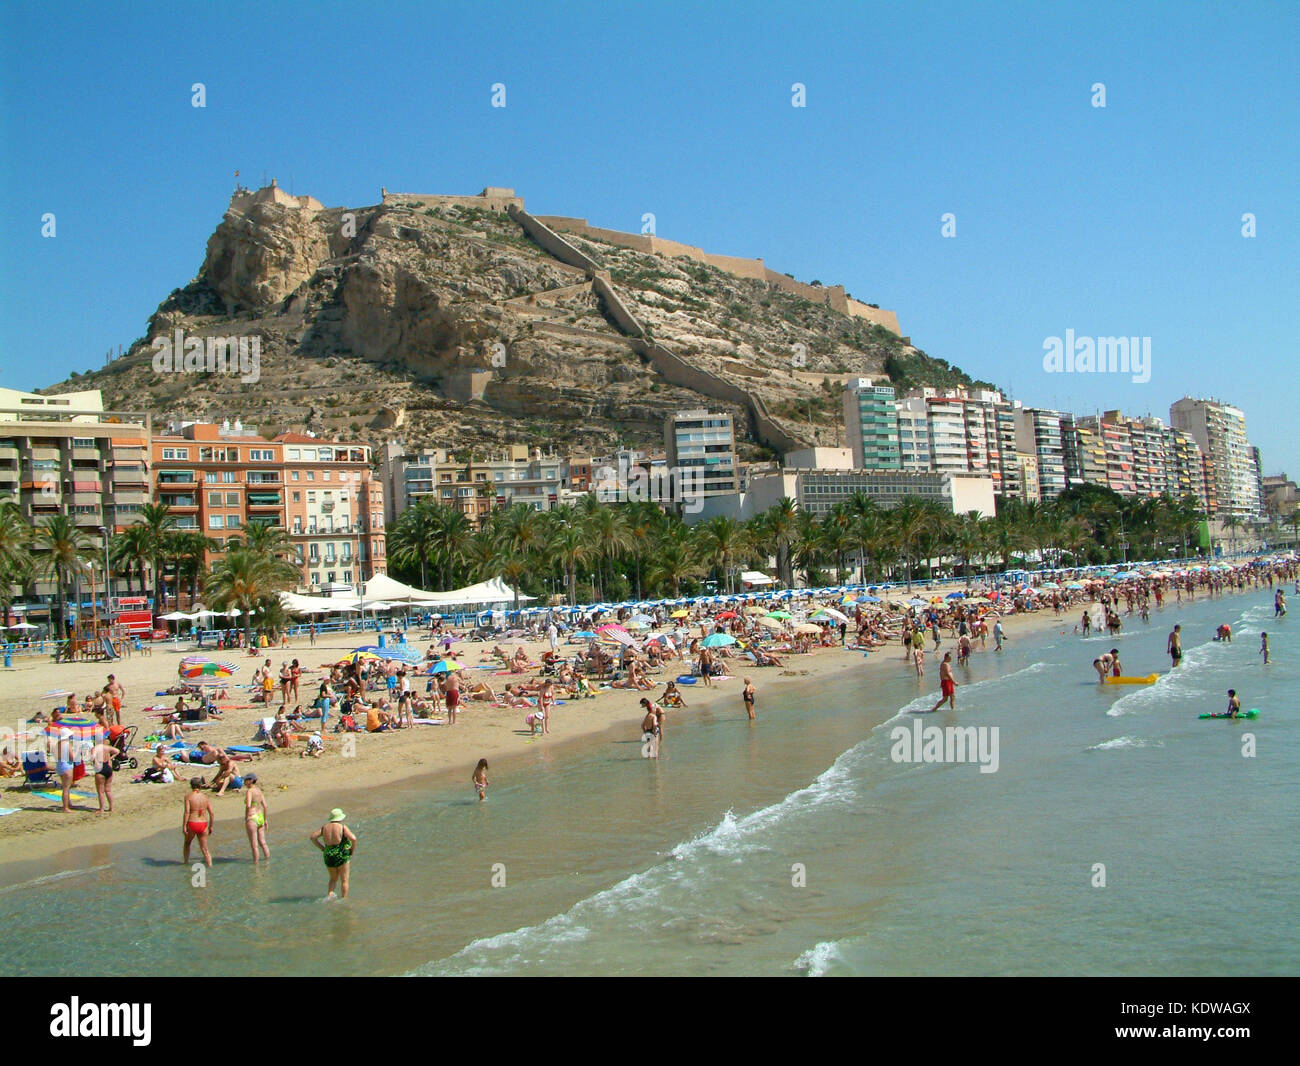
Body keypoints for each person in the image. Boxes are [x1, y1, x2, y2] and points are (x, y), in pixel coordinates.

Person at [311, 808, 356, 900]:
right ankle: (344, 900)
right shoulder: (342, 827)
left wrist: (322, 848)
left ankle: (330, 895)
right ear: (340, 818)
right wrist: (352, 849)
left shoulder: (324, 827)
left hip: (328, 855)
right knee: (344, 880)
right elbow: (353, 838)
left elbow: (313, 837)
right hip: (341, 855)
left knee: (333, 879)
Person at [182, 778, 214, 867]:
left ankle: (186, 863)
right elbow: (211, 813)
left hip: (192, 822)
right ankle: (210, 866)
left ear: (191, 786)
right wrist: (211, 826)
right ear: (200, 785)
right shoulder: (205, 797)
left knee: (187, 843)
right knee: (205, 849)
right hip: (203, 824)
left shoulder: (188, 797)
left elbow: (187, 812)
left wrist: (184, 826)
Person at [244, 773, 270, 863]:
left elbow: (248, 805)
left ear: (251, 780)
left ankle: (255, 864)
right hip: (260, 817)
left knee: (254, 845)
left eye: (246, 780)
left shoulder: (250, 791)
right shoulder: (259, 790)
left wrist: (247, 817)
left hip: (252, 817)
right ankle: (267, 861)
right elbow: (265, 806)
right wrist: (265, 819)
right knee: (263, 843)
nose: (244, 782)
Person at [89, 734, 117, 814]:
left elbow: (92, 758)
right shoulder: (106, 748)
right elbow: (117, 751)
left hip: (100, 768)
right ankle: (111, 808)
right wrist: (111, 758)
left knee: (100, 791)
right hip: (108, 768)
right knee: (108, 790)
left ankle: (101, 809)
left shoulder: (95, 749)